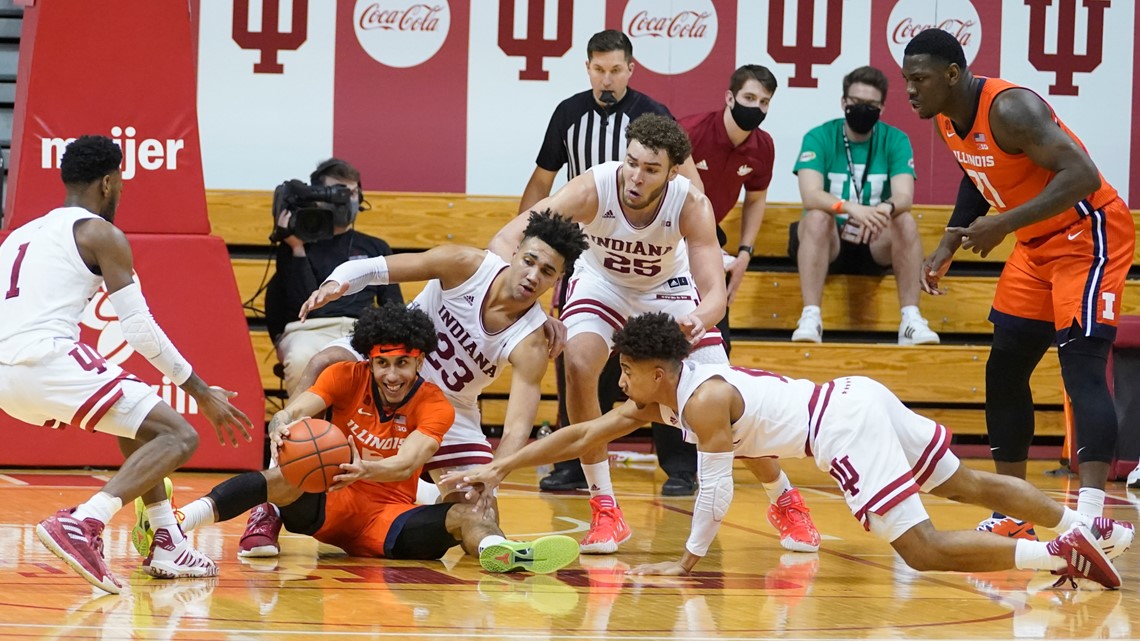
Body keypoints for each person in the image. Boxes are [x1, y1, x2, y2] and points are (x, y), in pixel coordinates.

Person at [450, 312, 1133, 588]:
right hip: (854, 396)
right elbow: (579, 433)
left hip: (838, 426)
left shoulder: (700, 400)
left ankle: (1058, 550)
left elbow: (715, 489)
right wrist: (503, 462)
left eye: (624, 370)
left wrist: (684, 564)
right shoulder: (671, 388)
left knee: (918, 548)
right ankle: (1088, 527)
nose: (619, 380)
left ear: (655, 368)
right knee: (969, 486)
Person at [489, 114, 820, 555]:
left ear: (673, 170)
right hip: (602, 283)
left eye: (649, 169)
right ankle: (604, 507)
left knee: (719, 403)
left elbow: (715, 296)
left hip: (669, 290)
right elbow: (510, 236)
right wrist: (522, 303)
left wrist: (700, 317)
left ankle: (784, 498)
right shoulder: (593, 188)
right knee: (580, 362)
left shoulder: (691, 205)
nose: (635, 176)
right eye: (631, 162)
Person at [234, 210, 588, 557]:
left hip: (449, 405)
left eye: (547, 272)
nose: (532, 276)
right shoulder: (465, 265)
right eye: (529, 261)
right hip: (393, 363)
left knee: (478, 504)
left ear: (558, 281)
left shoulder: (532, 342)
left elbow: (516, 427)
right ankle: (269, 506)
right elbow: (376, 268)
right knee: (324, 361)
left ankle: (499, 551)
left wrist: (495, 472)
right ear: (515, 252)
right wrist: (335, 283)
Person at [137, 303, 580, 573]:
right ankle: (173, 525)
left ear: (419, 362)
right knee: (291, 473)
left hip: (386, 521)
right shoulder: (344, 377)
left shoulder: (435, 404)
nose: (392, 374)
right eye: (382, 364)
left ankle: (502, 553)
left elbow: (410, 462)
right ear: (369, 360)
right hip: (327, 505)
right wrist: (283, 422)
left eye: (403, 364)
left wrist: (365, 468)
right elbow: (303, 405)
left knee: (468, 514)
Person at [902, 29, 1137, 534]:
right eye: (906, 80)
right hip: (1035, 246)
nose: (910, 90)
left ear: (951, 74)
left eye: (919, 79)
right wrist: (948, 241)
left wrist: (1002, 224)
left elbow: (1083, 175)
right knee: (1004, 371)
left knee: (1082, 370)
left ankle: (1093, 521)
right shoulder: (948, 119)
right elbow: (977, 174)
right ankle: (1014, 513)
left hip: (1088, 233)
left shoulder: (1010, 109)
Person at [0, 136, 253, 594]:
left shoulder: (19, 234)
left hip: (6, 376)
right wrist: (199, 390)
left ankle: (166, 542)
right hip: (46, 357)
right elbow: (139, 330)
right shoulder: (98, 232)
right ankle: (84, 521)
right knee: (180, 434)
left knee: (135, 416)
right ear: (109, 181)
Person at [521, 29, 704, 496]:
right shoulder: (568, 113)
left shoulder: (654, 116)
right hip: (592, 252)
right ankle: (575, 462)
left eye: (615, 69)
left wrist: (709, 241)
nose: (607, 78)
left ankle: (681, 465)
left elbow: (692, 188)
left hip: (654, 254)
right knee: (578, 357)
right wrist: (524, 239)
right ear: (587, 68)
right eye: (598, 69)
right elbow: (542, 183)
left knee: (666, 357)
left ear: (631, 68)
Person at [790, 66, 939, 346]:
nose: (862, 109)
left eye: (870, 105)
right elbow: (810, 195)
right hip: (829, 240)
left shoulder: (894, 139)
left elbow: (903, 196)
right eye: (856, 103)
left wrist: (883, 210)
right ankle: (810, 317)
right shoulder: (820, 136)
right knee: (816, 217)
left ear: (881, 107)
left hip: (875, 239)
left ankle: (911, 319)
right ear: (843, 102)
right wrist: (852, 208)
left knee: (904, 219)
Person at [264, 158, 403, 399]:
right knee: (300, 358)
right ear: (319, 195)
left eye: (352, 192)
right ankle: (299, 432)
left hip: (360, 330)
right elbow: (300, 304)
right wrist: (297, 248)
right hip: (308, 330)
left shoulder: (375, 246)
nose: (346, 200)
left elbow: (394, 305)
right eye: (339, 192)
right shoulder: (294, 245)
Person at [680, 64, 777, 310]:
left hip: (709, 236)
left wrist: (745, 253)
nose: (757, 107)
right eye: (750, 98)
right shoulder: (691, 132)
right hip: (669, 232)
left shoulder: (763, 146)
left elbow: (755, 199)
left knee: (717, 329)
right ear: (730, 98)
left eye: (764, 102)